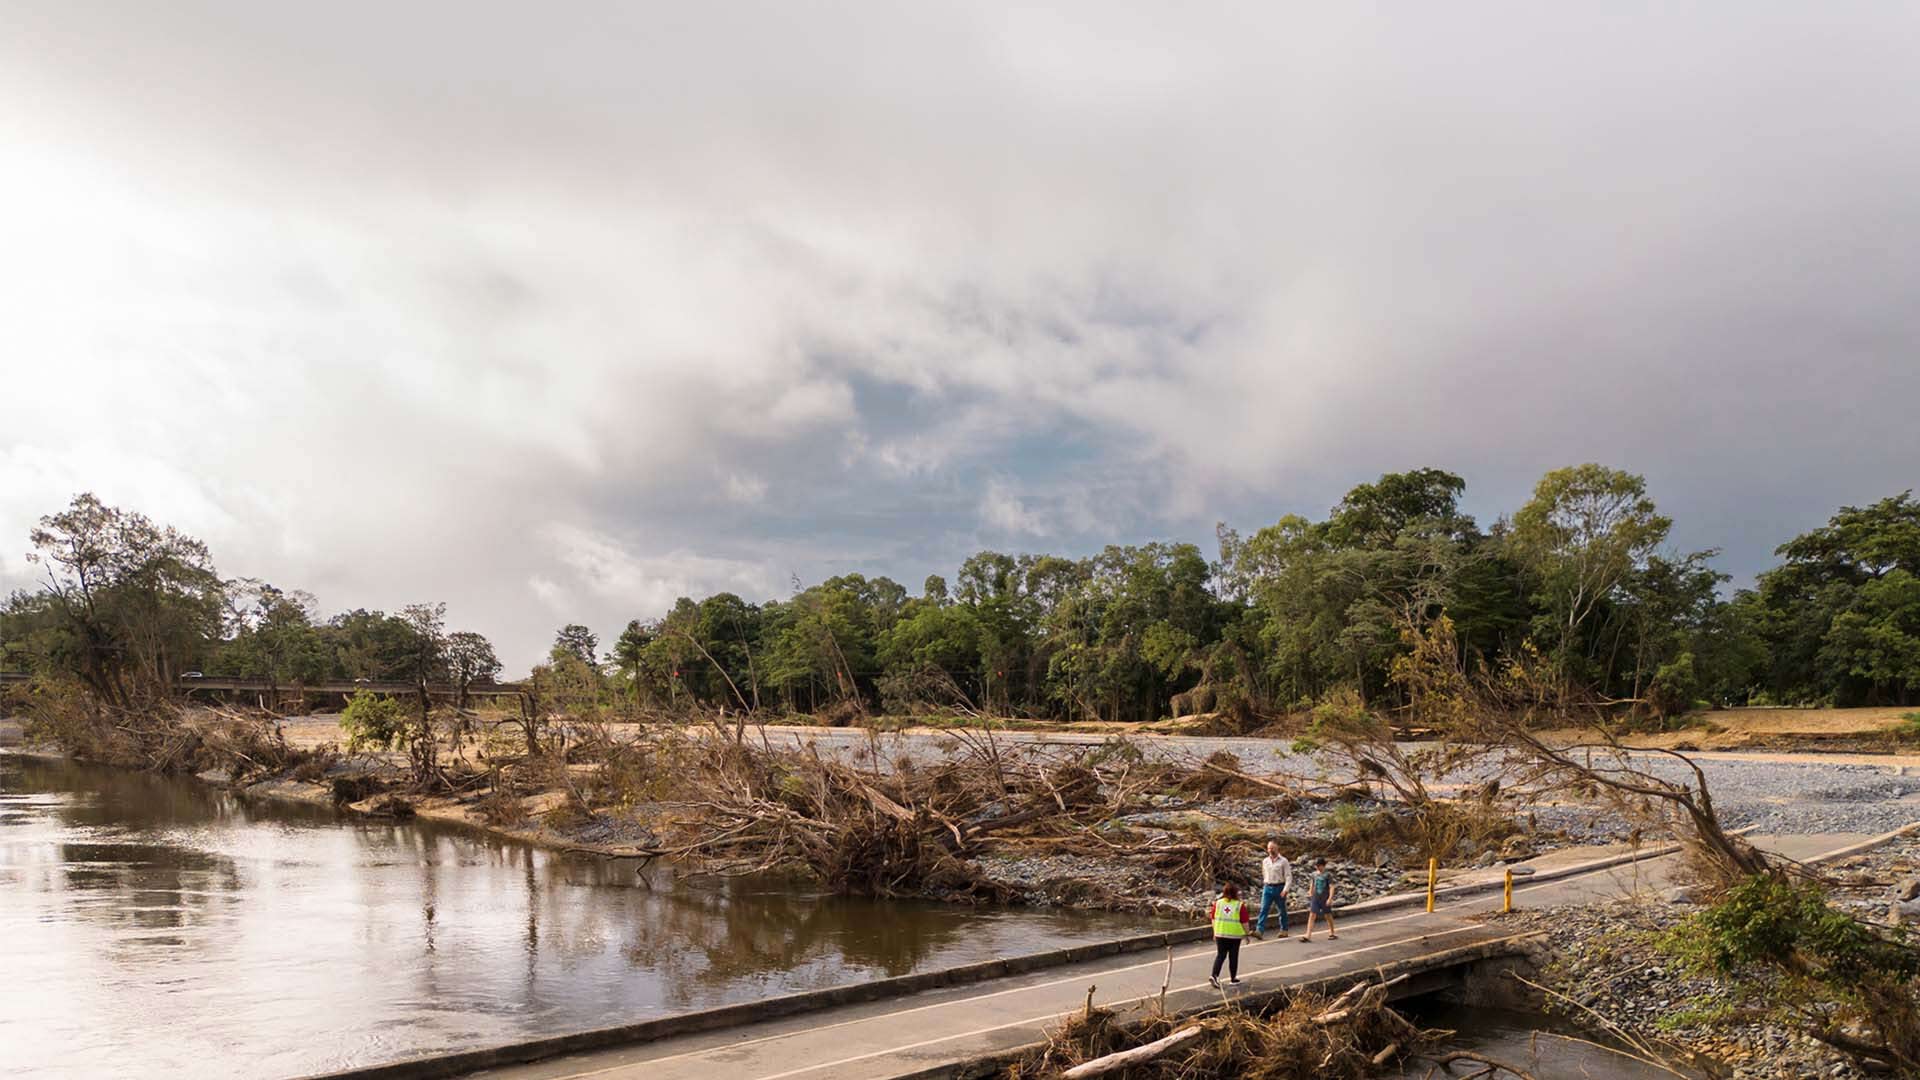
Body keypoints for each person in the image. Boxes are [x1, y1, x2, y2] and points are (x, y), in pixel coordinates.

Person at [1207, 882, 1251, 988]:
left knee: (1221, 955)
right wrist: (1247, 934)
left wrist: (1214, 932)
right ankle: (1233, 978)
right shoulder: (1239, 905)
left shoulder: (1218, 903)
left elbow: (1213, 918)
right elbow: (1244, 922)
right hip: (1234, 935)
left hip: (1220, 933)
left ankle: (1214, 975)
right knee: (1233, 956)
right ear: (1236, 893)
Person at [1253, 840, 1291, 939]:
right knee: (1264, 909)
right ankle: (1259, 930)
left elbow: (1288, 876)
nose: (1270, 850)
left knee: (1281, 910)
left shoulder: (1284, 861)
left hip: (1279, 887)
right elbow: (1264, 873)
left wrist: (1285, 889)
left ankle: (1284, 930)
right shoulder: (1265, 861)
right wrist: (1266, 882)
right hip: (1267, 887)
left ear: (1277, 848)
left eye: (1272, 848)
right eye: (1269, 848)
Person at [1300, 858, 1338, 941]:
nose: (1318, 867)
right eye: (1317, 866)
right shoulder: (1314, 874)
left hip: (1324, 897)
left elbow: (1331, 887)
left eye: (1319, 866)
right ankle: (1308, 935)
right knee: (1312, 915)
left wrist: (1330, 898)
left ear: (1323, 866)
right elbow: (1312, 883)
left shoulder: (1328, 875)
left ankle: (1332, 932)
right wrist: (1310, 891)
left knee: (1327, 915)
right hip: (1316, 897)